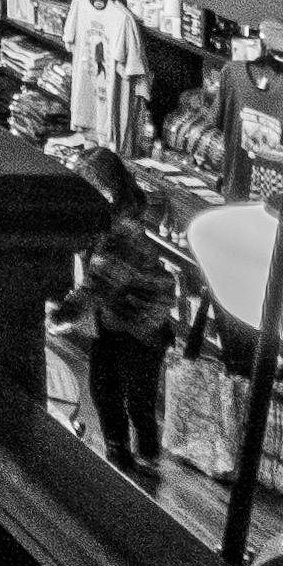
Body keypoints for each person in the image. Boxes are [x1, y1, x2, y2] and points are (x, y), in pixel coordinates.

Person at [60, 150, 178, 479]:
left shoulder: (121, 229)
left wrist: (63, 313)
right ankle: (118, 454)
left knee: (138, 396)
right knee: (103, 385)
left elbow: (101, 281)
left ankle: (146, 455)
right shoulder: (105, 218)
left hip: (144, 323)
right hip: (115, 318)